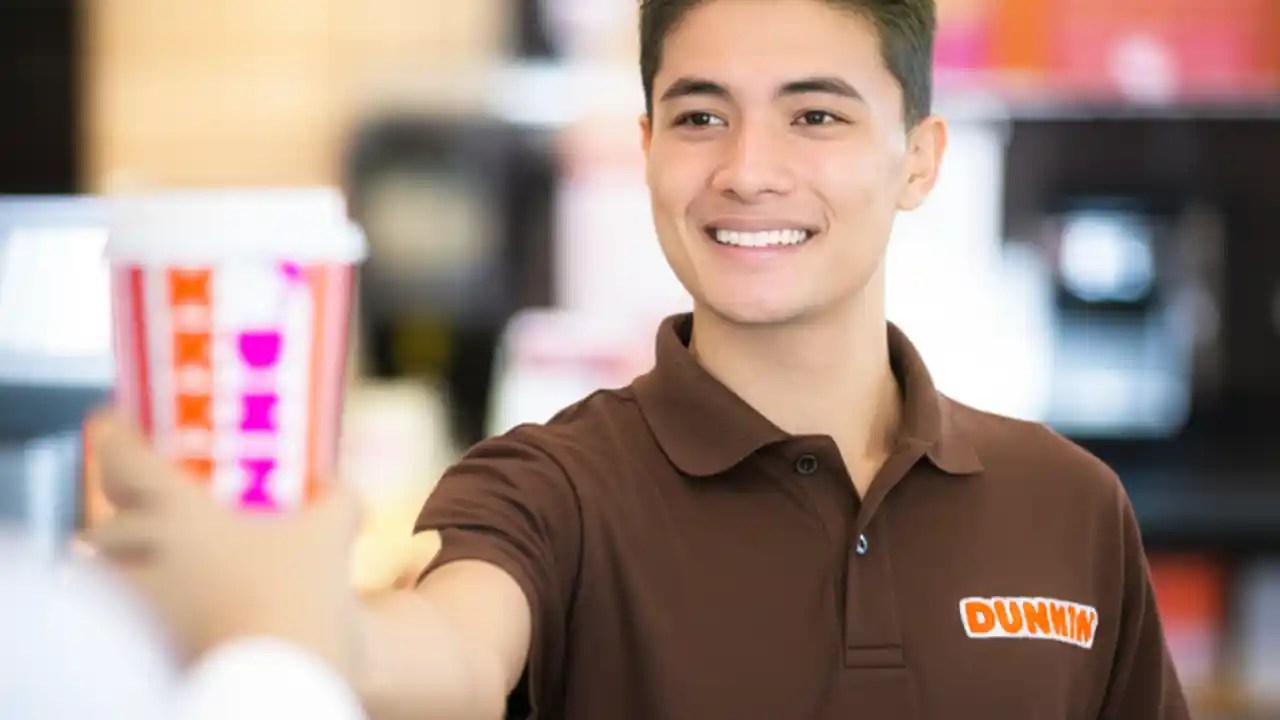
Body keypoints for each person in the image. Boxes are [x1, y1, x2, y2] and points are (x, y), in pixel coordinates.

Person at [90, 0, 1191, 717]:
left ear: (917, 160)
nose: (748, 170)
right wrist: (290, 614)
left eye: (814, 115)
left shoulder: (1070, 506)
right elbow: (450, 659)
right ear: (647, 148)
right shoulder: (548, 490)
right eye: (700, 116)